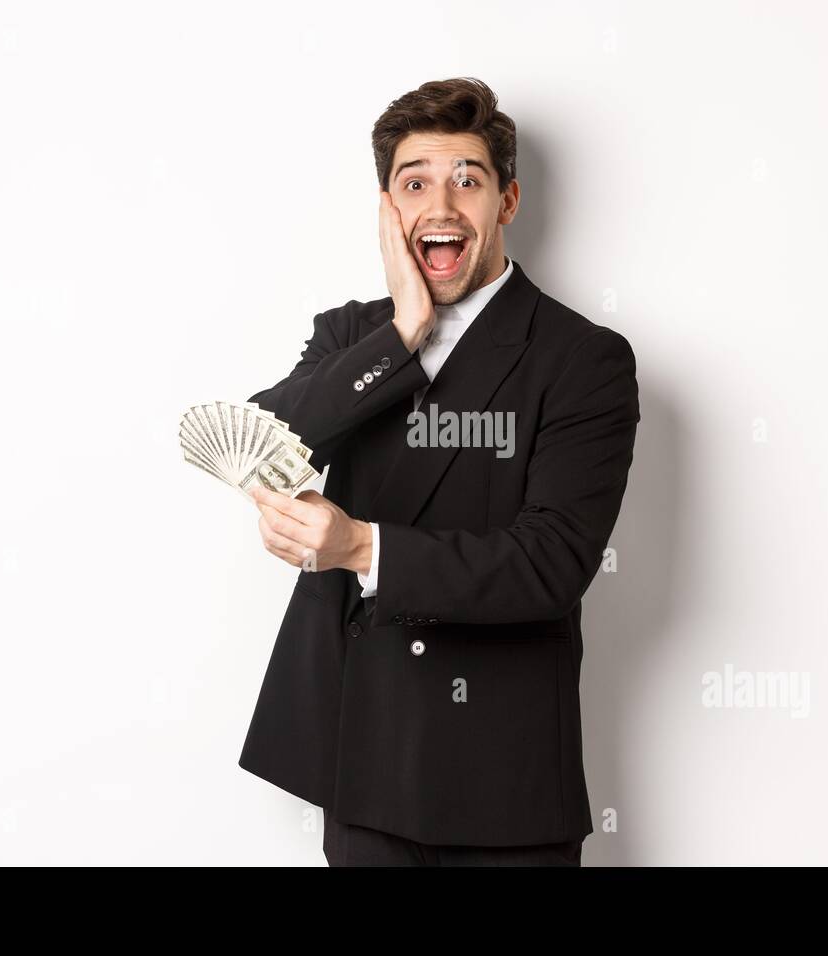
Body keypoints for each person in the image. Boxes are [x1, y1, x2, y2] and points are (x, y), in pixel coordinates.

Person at [238, 77, 640, 866]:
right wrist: (402, 333)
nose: (443, 205)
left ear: (508, 201)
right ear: (389, 209)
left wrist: (360, 548)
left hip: (506, 780)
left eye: (468, 179)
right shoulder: (355, 335)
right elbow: (257, 444)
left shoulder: (583, 359)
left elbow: (552, 564)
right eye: (414, 182)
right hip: (367, 760)